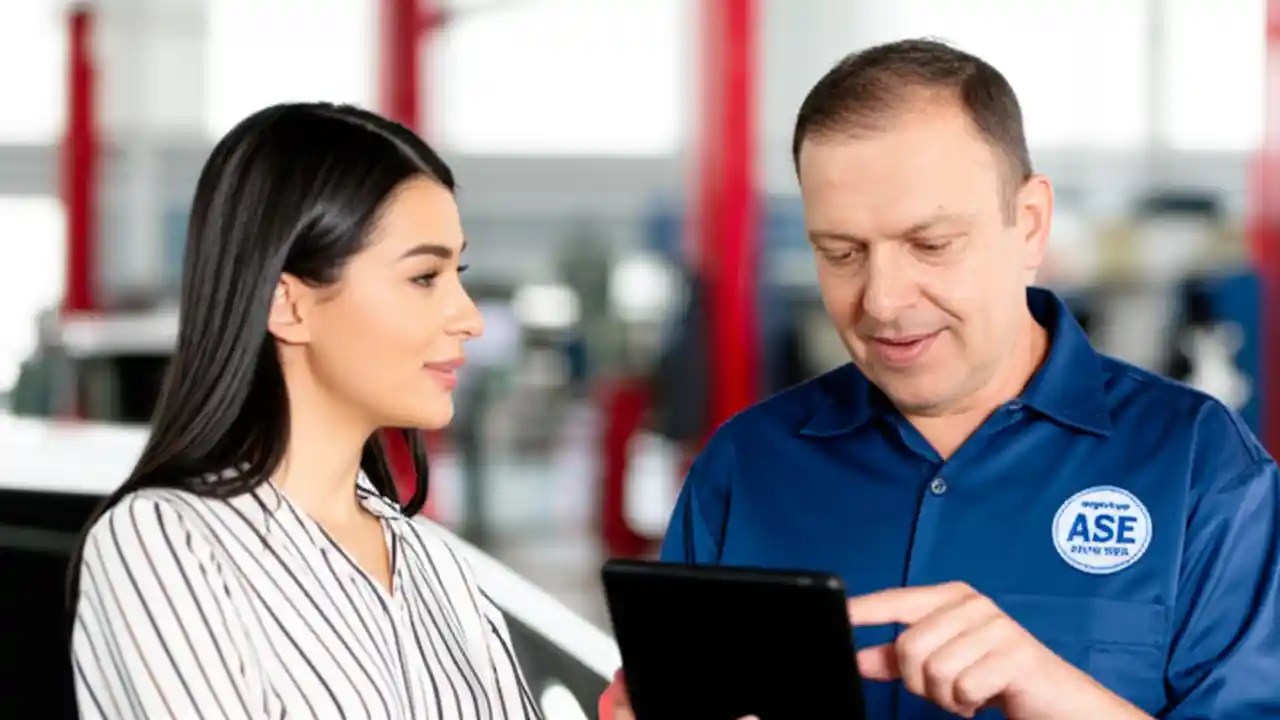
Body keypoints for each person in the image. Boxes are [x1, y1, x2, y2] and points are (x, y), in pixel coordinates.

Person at [610, 39, 1280, 719]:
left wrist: (1055, 695)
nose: (882, 300)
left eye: (930, 246)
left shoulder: (1200, 468)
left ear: (1030, 225)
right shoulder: (745, 468)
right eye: (841, 253)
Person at [67, 102, 541, 719]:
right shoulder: (167, 542)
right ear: (288, 304)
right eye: (426, 276)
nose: (469, 317)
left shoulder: (436, 569)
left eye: (460, 272)